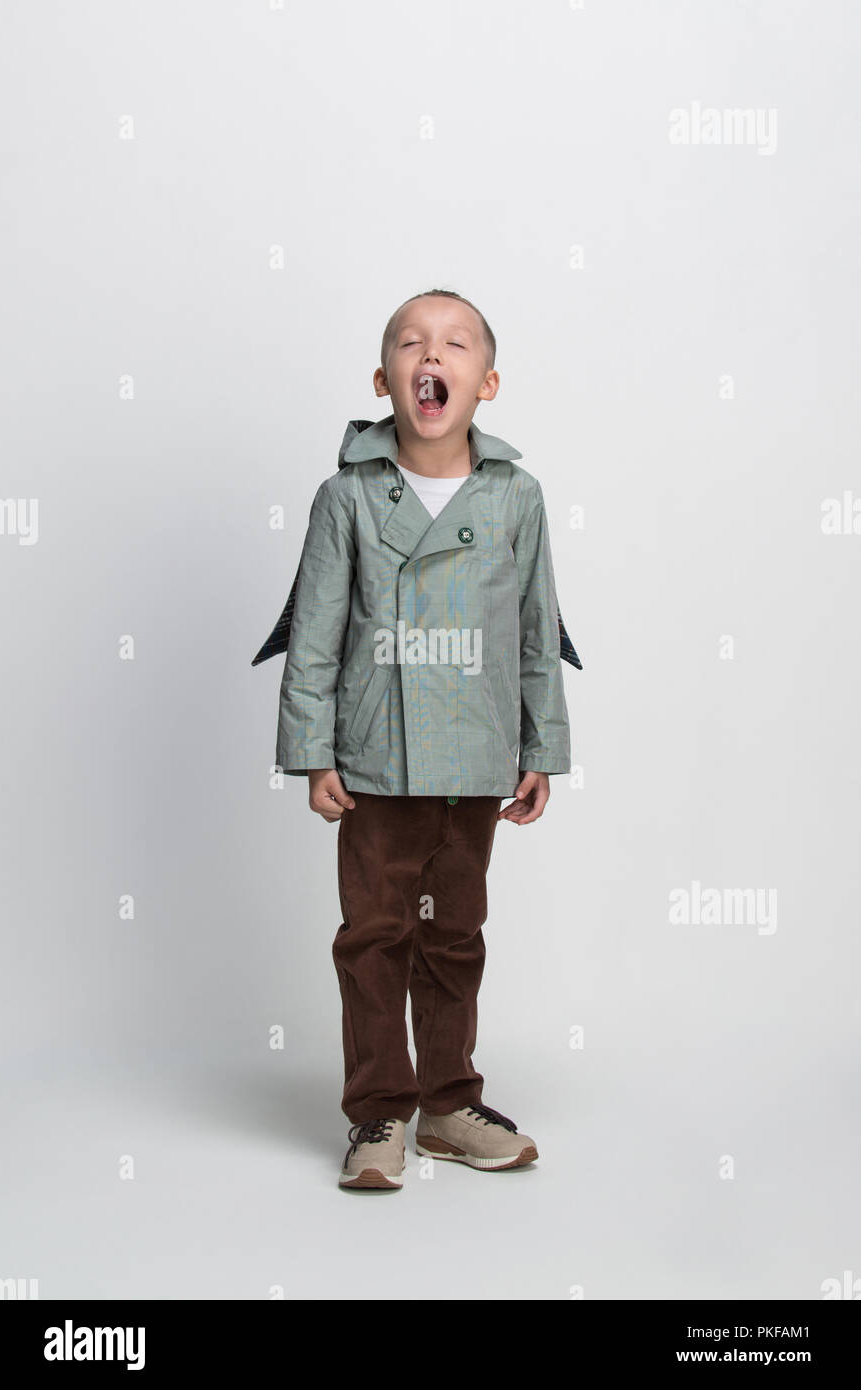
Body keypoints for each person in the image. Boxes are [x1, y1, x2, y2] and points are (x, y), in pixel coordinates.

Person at [253, 289, 582, 1190]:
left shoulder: (516, 496)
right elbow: (315, 634)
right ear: (385, 377)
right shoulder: (347, 497)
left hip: (472, 759)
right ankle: (376, 1116)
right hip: (373, 760)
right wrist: (312, 754)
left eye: (455, 344)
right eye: (410, 343)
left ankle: (446, 1103)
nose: (430, 355)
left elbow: (534, 629)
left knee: (454, 936)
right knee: (375, 936)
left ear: (486, 382)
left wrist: (540, 749)